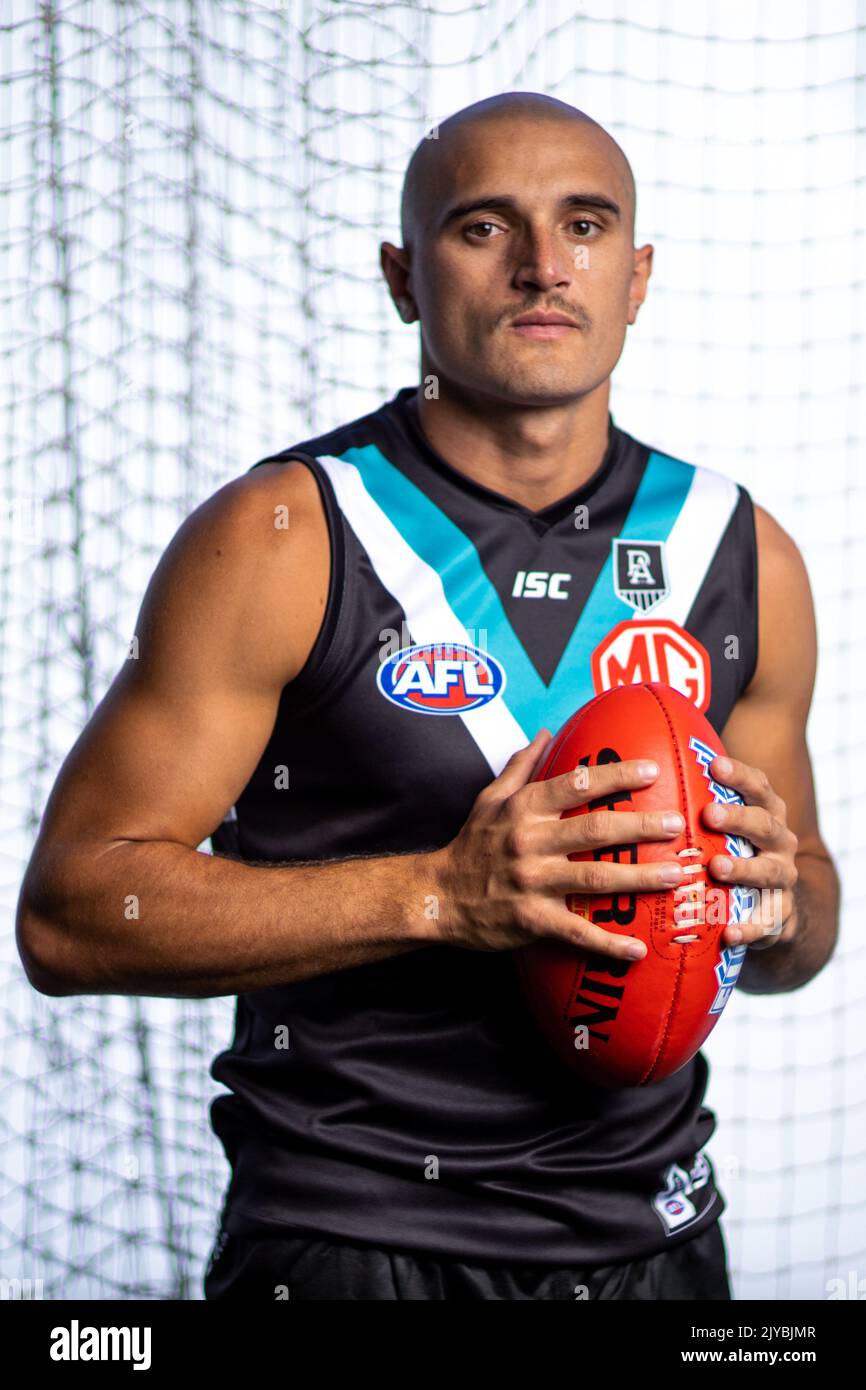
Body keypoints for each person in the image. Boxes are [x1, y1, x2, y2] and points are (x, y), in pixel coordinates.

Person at [16, 92, 839, 1301]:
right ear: (403, 278)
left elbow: (805, 924)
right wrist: (437, 895)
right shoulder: (286, 535)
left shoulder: (739, 549)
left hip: (653, 1244)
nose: (542, 267)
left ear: (638, 275)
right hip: (355, 1239)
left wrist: (769, 903)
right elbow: (72, 913)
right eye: (481, 229)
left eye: (585, 225)